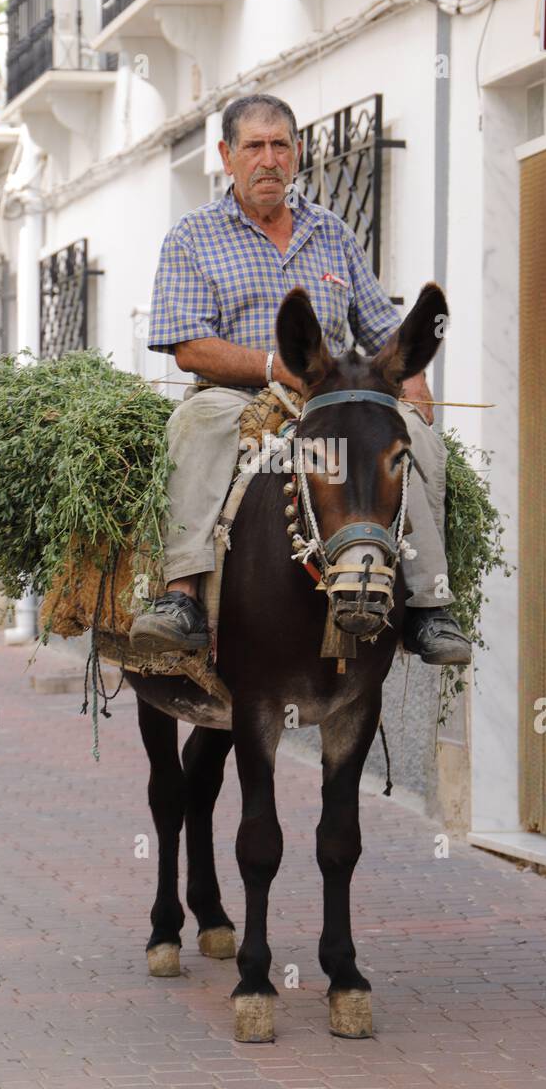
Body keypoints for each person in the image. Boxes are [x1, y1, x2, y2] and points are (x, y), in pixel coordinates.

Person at [129, 93, 471, 666]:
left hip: (331, 401)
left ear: (298, 153)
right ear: (226, 156)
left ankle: (430, 605)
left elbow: (379, 320)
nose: (269, 159)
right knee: (193, 422)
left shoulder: (330, 232)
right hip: (236, 399)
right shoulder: (192, 237)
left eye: (280, 145)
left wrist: (412, 380)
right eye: (253, 146)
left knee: (418, 440)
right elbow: (189, 348)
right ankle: (181, 595)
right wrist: (272, 366)